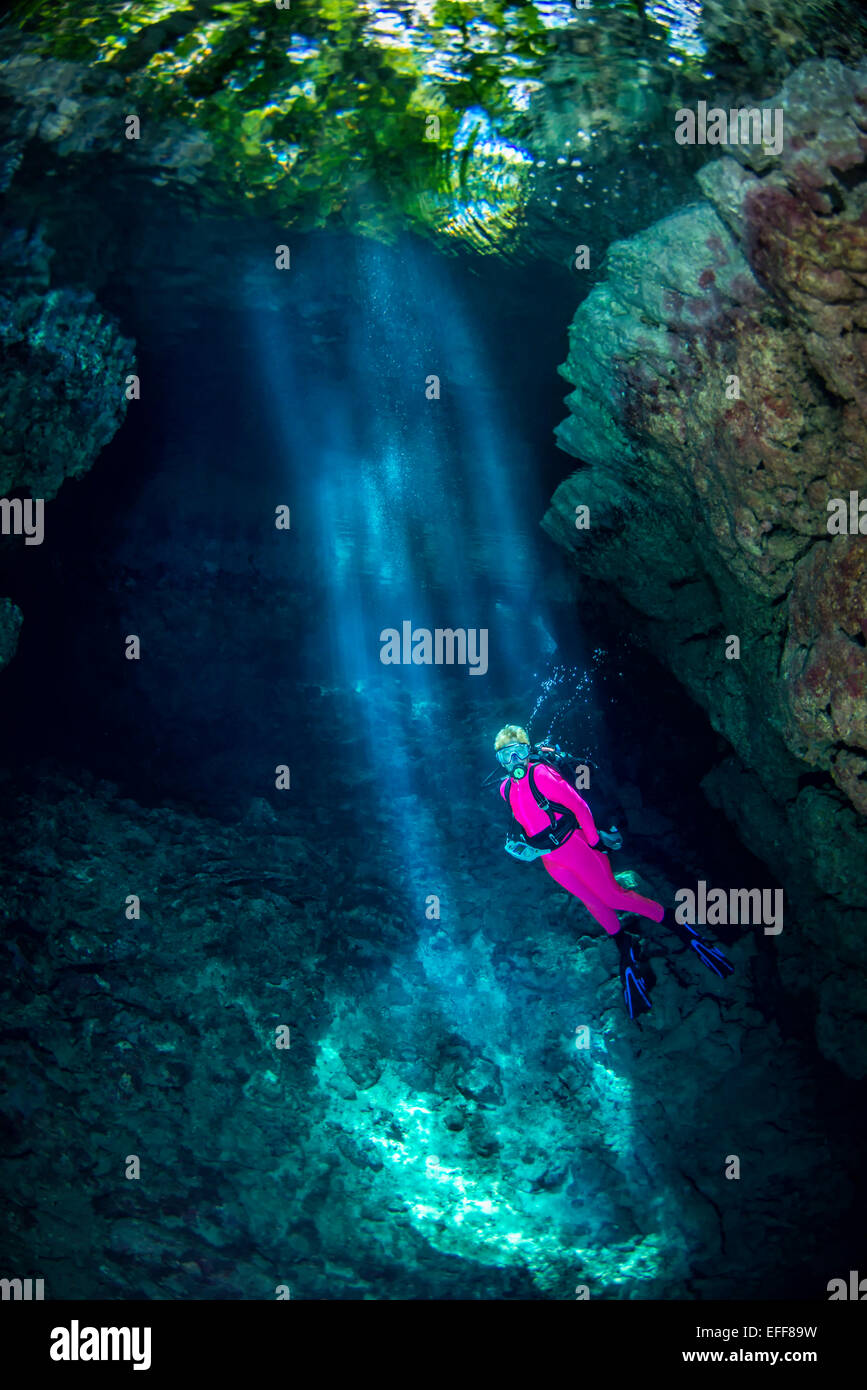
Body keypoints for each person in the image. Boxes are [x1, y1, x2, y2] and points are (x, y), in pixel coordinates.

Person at [494, 724, 733, 1020]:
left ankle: (679, 926)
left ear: (527, 750)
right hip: (552, 862)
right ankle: (624, 945)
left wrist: (595, 843)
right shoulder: (504, 789)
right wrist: (521, 846)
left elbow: (580, 807)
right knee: (592, 901)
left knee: (614, 897)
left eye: (517, 753)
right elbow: (528, 822)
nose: (512, 762)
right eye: (505, 757)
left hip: (578, 848)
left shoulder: (541, 774)